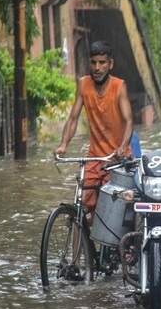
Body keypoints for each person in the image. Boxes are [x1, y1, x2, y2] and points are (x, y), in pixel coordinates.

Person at [55, 41, 134, 221]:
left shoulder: (119, 86)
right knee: (80, 211)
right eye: (93, 63)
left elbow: (129, 121)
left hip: (117, 158)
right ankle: (78, 248)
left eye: (102, 63)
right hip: (94, 158)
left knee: (114, 209)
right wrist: (63, 145)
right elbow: (73, 117)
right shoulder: (83, 85)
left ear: (110, 64)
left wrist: (123, 147)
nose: (97, 68)